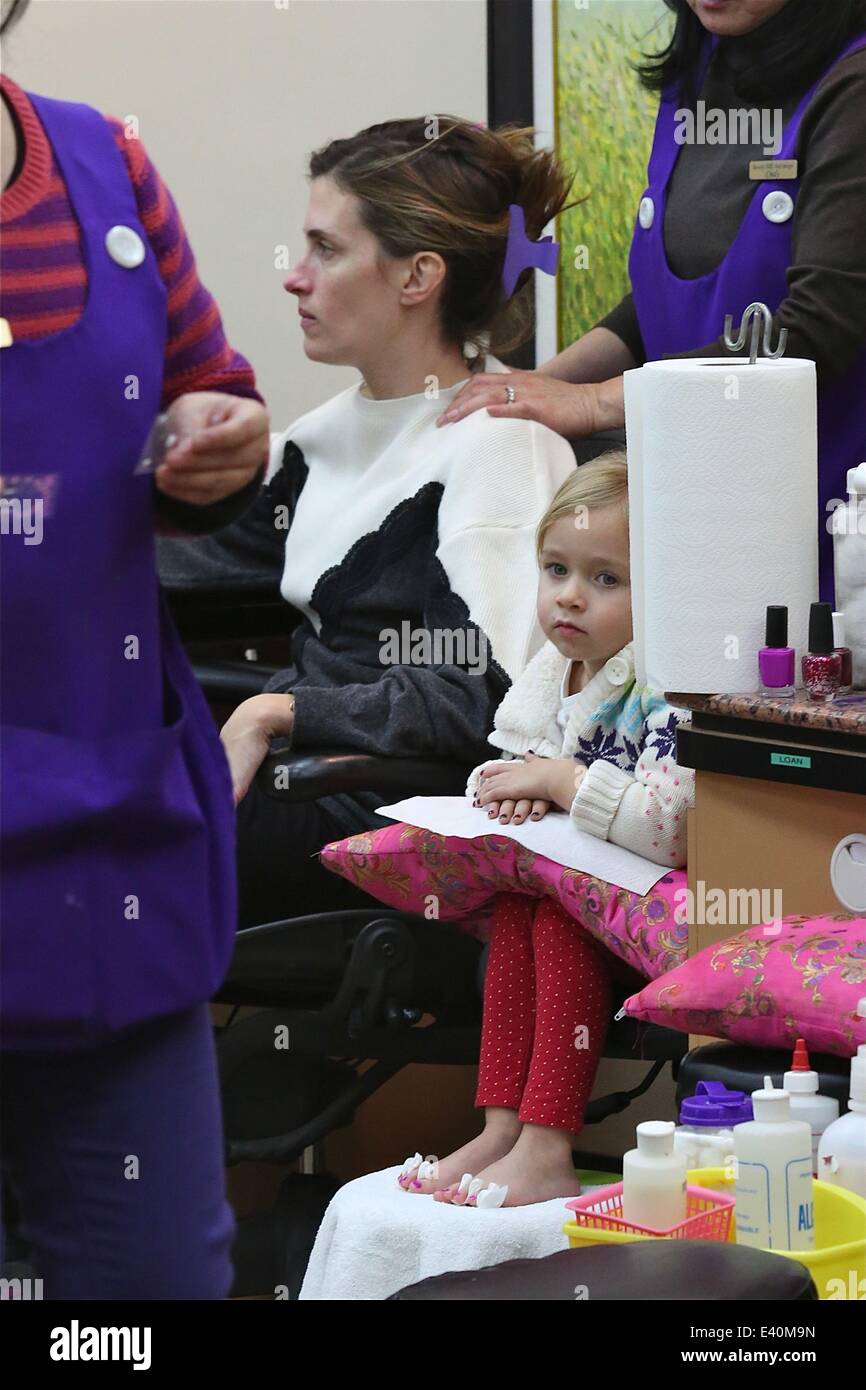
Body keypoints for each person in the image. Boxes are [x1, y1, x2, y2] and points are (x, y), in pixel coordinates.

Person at [0, 0, 269, 1298]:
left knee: (153, 1291)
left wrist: (215, 442)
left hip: (101, 863)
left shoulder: (104, 166)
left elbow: (204, 397)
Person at [158, 116, 580, 931]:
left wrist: (275, 713)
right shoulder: (318, 442)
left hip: (386, 820)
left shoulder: (496, 447)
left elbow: (486, 693)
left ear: (417, 275)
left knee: (75, 840)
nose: (296, 276)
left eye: (326, 249)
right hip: (300, 778)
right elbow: (164, 560)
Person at [437, 0, 866, 602]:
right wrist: (533, 387)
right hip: (693, 500)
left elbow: (814, 332)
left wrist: (595, 403)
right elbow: (663, 303)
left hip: (814, 520)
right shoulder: (700, 70)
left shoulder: (853, 88)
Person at [395, 453, 695, 1207]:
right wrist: (512, 795)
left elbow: (669, 828)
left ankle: (548, 1146)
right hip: (582, 896)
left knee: (556, 916)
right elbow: (505, 765)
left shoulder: (667, 682)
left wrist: (560, 784)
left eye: (605, 579)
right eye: (555, 569)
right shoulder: (550, 673)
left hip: (662, 913)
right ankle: (504, 1130)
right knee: (519, 907)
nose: (569, 598)